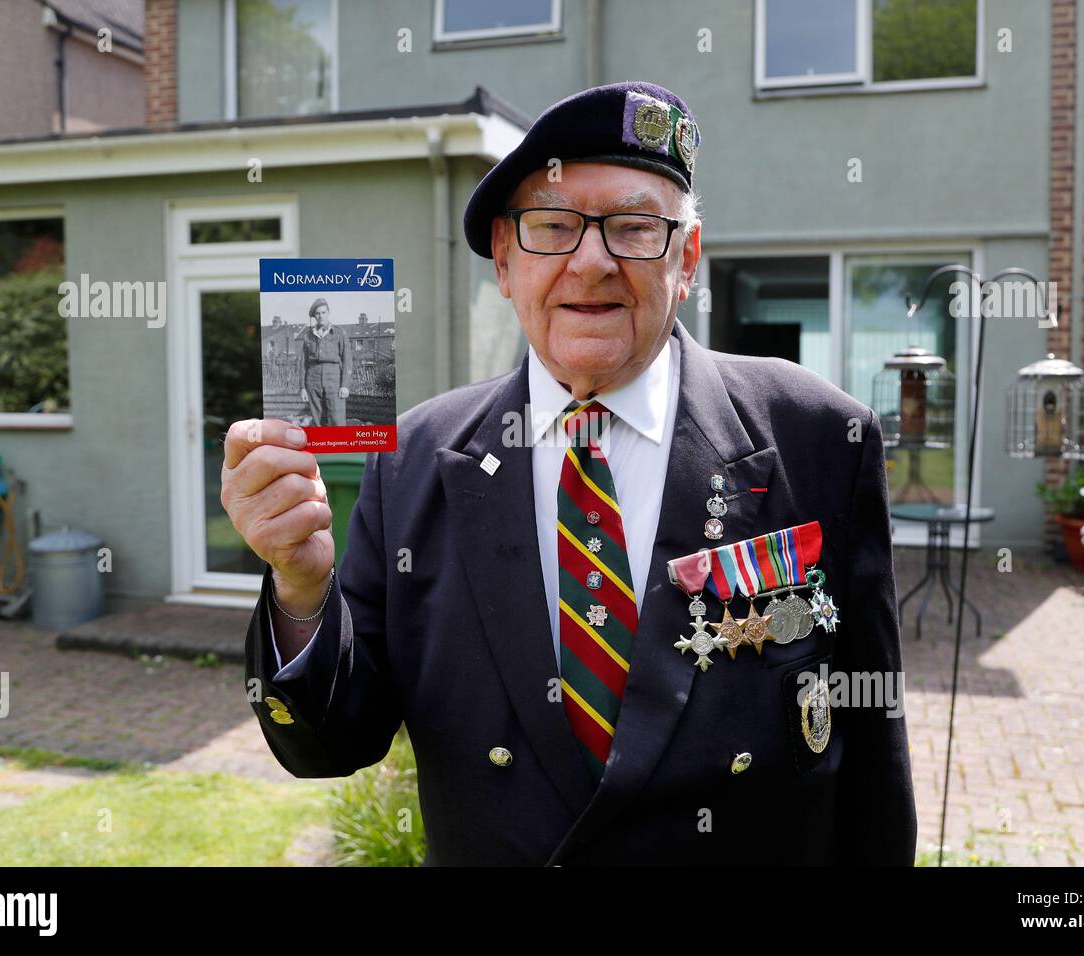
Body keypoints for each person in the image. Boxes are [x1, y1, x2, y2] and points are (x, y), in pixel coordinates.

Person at [220, 81, 917, 865]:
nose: (592, 263)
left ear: (685, 259)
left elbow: (873, 765)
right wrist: (304, 591)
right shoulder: (409, 464)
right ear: (506, 264)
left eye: (633, 227)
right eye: (553, 227)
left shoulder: (819, 435)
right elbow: (331, 743)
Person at [295, 298, 352, 426]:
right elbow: (302, 364)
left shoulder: (339, 333)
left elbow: (347, 359)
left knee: (337, 419)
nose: (321, 316)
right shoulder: (308, 336)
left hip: (334, 378)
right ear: (314, 316)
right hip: (313, 378)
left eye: (323, 312)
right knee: (318, 419)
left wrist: (345, 385)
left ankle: (339, 445)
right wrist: (302, 387)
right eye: (318, 313)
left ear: (328, 313)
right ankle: (322, 445)